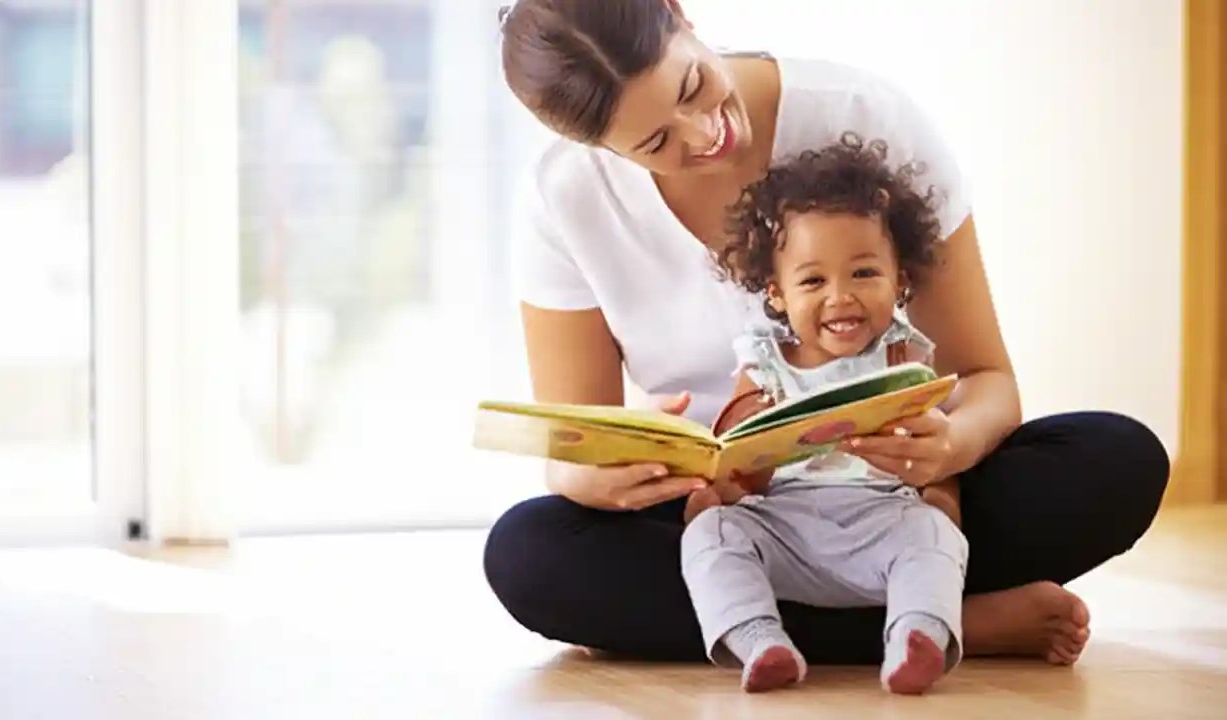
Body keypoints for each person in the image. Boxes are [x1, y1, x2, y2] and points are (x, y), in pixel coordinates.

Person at [483, 0, 1170, 667]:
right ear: (595, 146)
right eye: (656, 143)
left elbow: (987, 379)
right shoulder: (563, 198)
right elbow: (574, 441)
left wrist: (950, 445)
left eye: (692, 86)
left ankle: (807, 618)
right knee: (530, 553)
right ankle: (944, 621)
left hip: (897, 499)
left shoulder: (864, 118)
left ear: (679, 13)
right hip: (735, 517)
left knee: (1120, 457)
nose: (703, 133)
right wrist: (595, 477)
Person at [682, 134, 965, 695]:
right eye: (813, 281)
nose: (840, 298)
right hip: (783, 526)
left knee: (934, 535)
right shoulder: (762, 363)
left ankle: (916, 635)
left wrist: (945, 501)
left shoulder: (904, 356)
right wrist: (723, 485)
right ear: (777, 294)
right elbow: (736, 461)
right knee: (711, 533)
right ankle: (761, 639)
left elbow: (933, 452)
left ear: (900, 280)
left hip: (882, 522)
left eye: (864, 274)